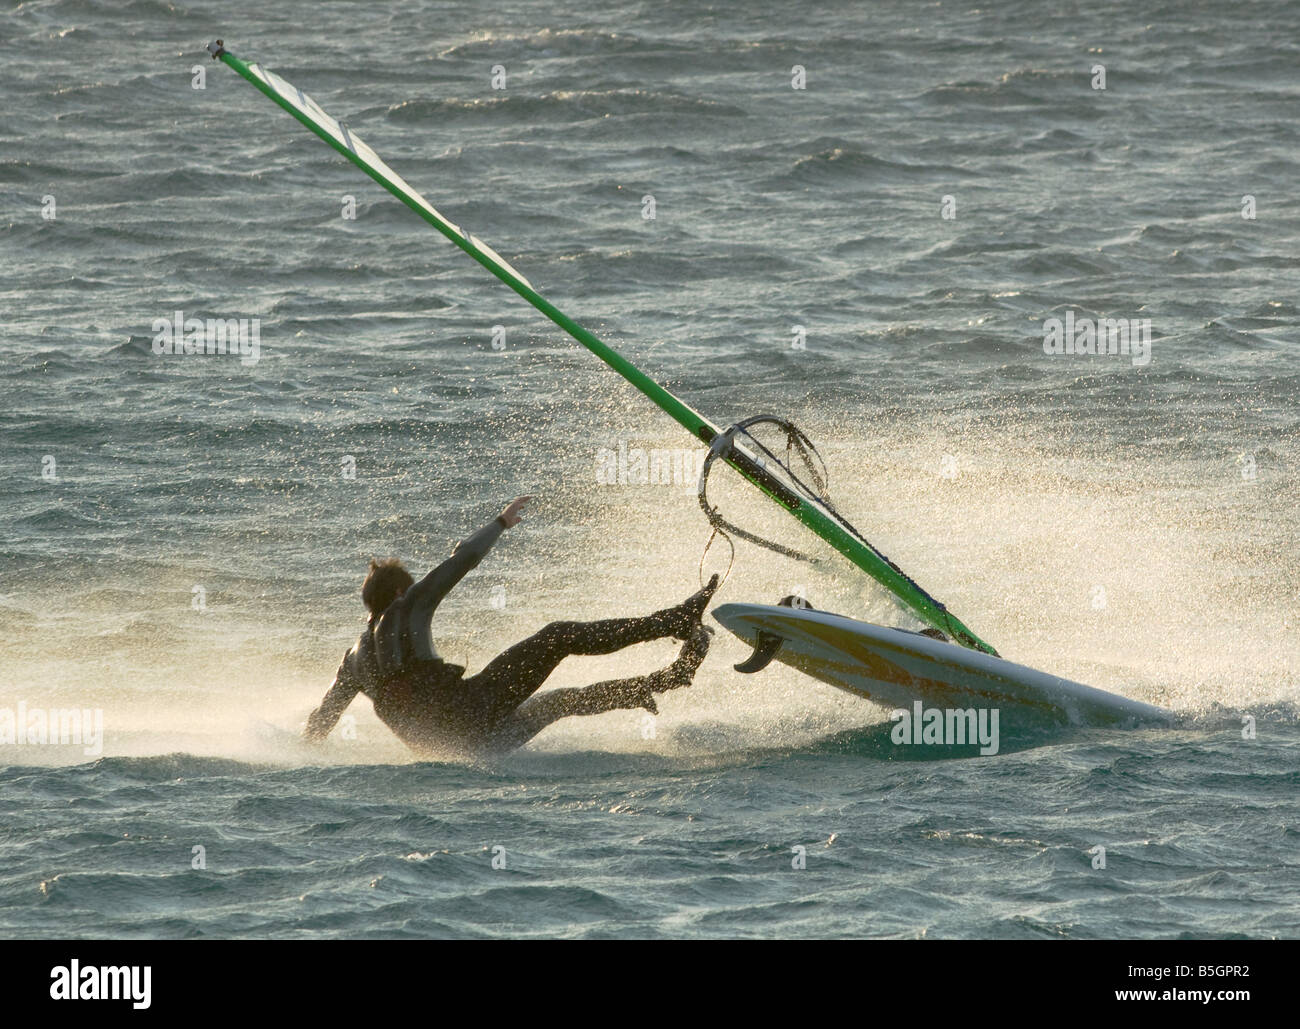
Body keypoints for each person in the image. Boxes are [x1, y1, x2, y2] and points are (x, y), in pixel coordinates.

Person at [304, 496, 716, 757]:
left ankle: (665, 680)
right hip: (470, 714)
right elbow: (460, 559)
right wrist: (500, 523)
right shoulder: (406, 606)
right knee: (557, 637)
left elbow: (320, 721)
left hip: (455, 748)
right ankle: (674, 620)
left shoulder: (352, 663)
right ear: (399, 592)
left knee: (559, 703)